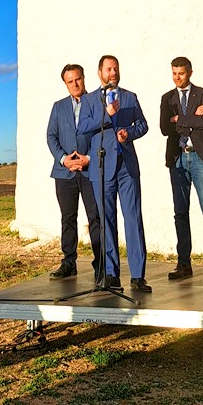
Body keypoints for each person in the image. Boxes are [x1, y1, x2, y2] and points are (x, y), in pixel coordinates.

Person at [78, 54, 150, 293]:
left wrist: (129, 133)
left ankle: (138, 276)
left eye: (116, 68)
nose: (113, 72)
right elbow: (83, 127)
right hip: (101, 166)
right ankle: (111, 274)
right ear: (100, 72)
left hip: (127, 167)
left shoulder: (130, 97)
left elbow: (143, 124)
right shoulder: (88, 101)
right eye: (109, 69)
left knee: (133, 219)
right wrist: (107, 115)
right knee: (106, 221)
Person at [160, 56, 203, 282]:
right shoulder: (167, 98)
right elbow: (164, 127)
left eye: (181, 73)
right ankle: (183, 264)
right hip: (178, 158)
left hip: (200, 158)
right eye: (174, 73)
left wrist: (179, 118)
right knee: (180, 212)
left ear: (189, 72)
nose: (177, 77)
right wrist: (190, 118)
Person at [46, 63, 101, 279]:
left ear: (84, 78)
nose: (75, 84)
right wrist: (64, 159)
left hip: (91, 170)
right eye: (70, 81)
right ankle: (69, 262)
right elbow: (51, 136)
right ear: (65, 84)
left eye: (78, 79)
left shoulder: (96, 103)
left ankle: (101, 265)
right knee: (68, 217)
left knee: (95, 217)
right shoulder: (58, 107)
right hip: (64, 172)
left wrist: (88, 159)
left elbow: (101, 134)